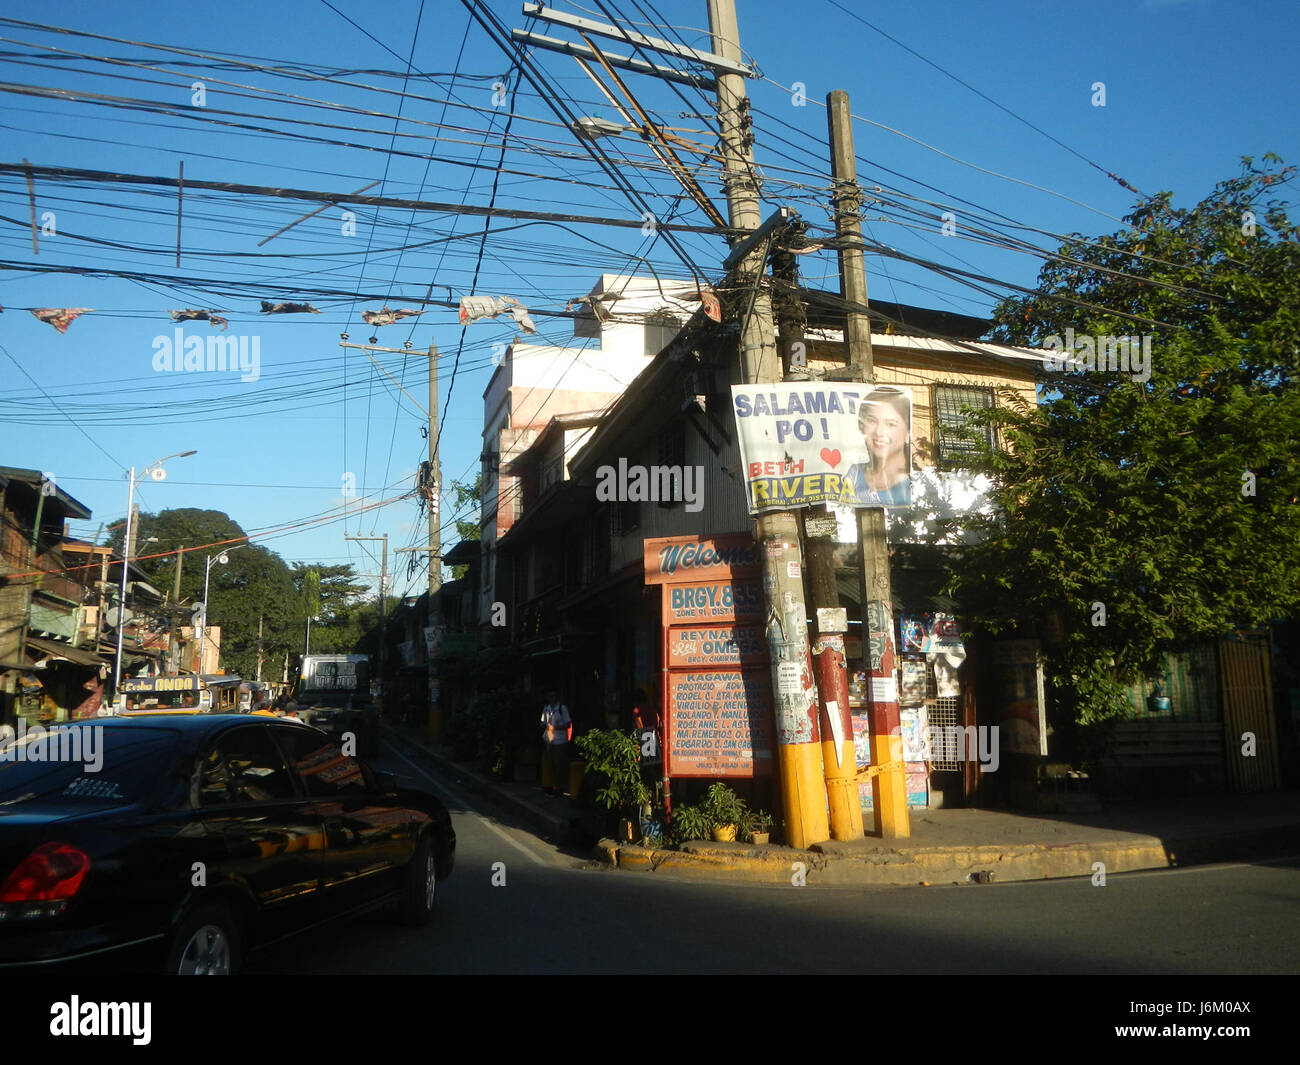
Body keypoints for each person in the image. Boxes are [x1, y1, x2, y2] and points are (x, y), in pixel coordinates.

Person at [844, 386, 913, 505]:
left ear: (907, 432)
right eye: (871, 421)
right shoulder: (854, 474)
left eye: (890, 424)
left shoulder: (916, 486)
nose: (879, 432)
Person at [539, 690, 571, 794]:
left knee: (559, 764)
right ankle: (554, 786)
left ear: (556, 697)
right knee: (551, 764)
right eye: (549, 696)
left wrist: (555, 728)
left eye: (553, 696)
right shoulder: (546, 709)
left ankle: (560, 787)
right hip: (549, 740)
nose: (551, 698)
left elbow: (568, 724)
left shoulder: (562, 708)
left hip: (560, 740)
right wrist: (543, 725)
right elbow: (543, 722)